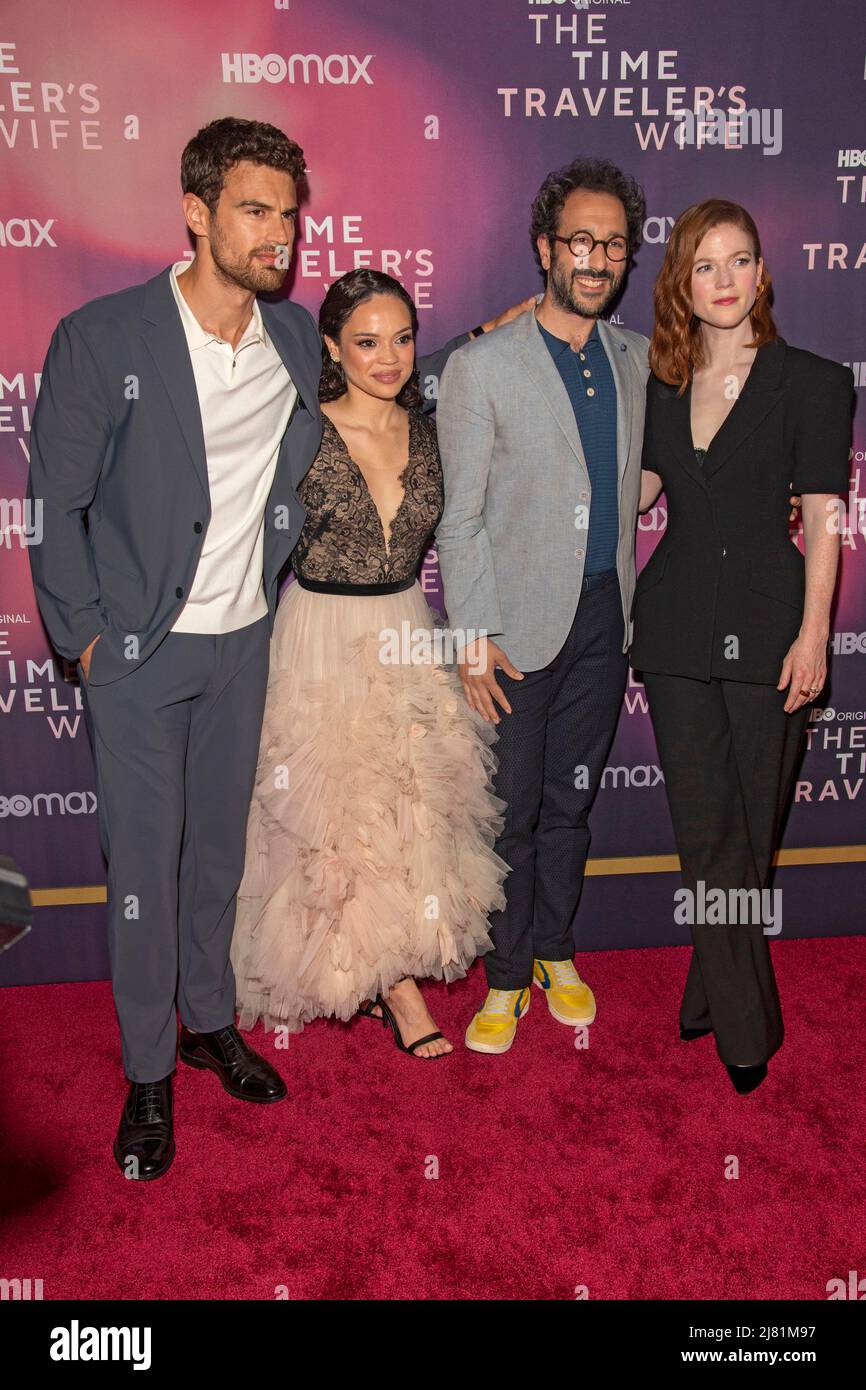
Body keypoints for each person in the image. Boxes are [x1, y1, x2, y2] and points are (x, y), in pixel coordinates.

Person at [25, 116, 529, 1181]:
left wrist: (493, 331)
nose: (278, 234)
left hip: (247, 641)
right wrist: (82, 647)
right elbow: (53, 505)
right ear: (195, 213)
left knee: (218, 858)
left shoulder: (295, 339)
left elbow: (384, 376)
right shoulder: (103, 338)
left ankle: (210, 1023)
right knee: (145, 876)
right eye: (255, 211)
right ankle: (148, 1071)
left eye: (289, 214)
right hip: (138, 657)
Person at [232, 271, 510, 1057]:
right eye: (365, 342)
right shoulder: (299, 430)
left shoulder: (432, 429)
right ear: (330, 348)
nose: (387, 358)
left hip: (407, 625)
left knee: (408, 807)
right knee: (332, 814)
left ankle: (390, 968)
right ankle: (390, 986)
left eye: (401, 339)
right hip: (319, 627)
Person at [631, 198, 854, 1094]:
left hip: (772, 631)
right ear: (683, 283)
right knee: (707, 830)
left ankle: (704, 993)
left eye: (740, 261)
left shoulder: (813, 380)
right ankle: (748, 1031)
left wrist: (814, 636)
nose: (724, 280)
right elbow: (641, 491)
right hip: (676, 628)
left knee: (749, 832)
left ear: (762, 274)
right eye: (704, 265)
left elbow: (824, 521)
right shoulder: (662, 383)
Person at [436, 158, 650, 1054]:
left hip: (607, 617)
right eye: (580, 240)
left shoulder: (639, 358)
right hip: (515, 631)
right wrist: (473, 635)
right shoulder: (482, 368)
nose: (596, 258)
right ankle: (508, 974)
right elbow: (460, 517)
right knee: (512, 810)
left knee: (570, 805)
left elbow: (663, 464)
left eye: (613, 244)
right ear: (545, 248)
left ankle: (558, 949)